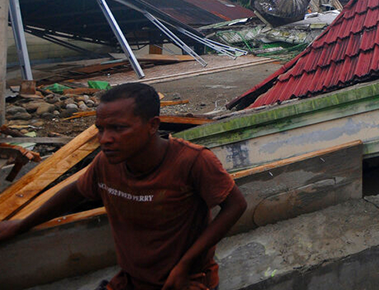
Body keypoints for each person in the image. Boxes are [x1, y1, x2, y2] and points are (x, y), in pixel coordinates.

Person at [0, 82, 247, 290]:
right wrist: (22, 224)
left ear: (152, 125)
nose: (105, 139)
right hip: (131, 280)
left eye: (118, 128)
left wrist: (185, 264)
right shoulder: (106, 164)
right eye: (100, 129)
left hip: (183, 282)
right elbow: (75, 192)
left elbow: (235, 205)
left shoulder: (192, 161)